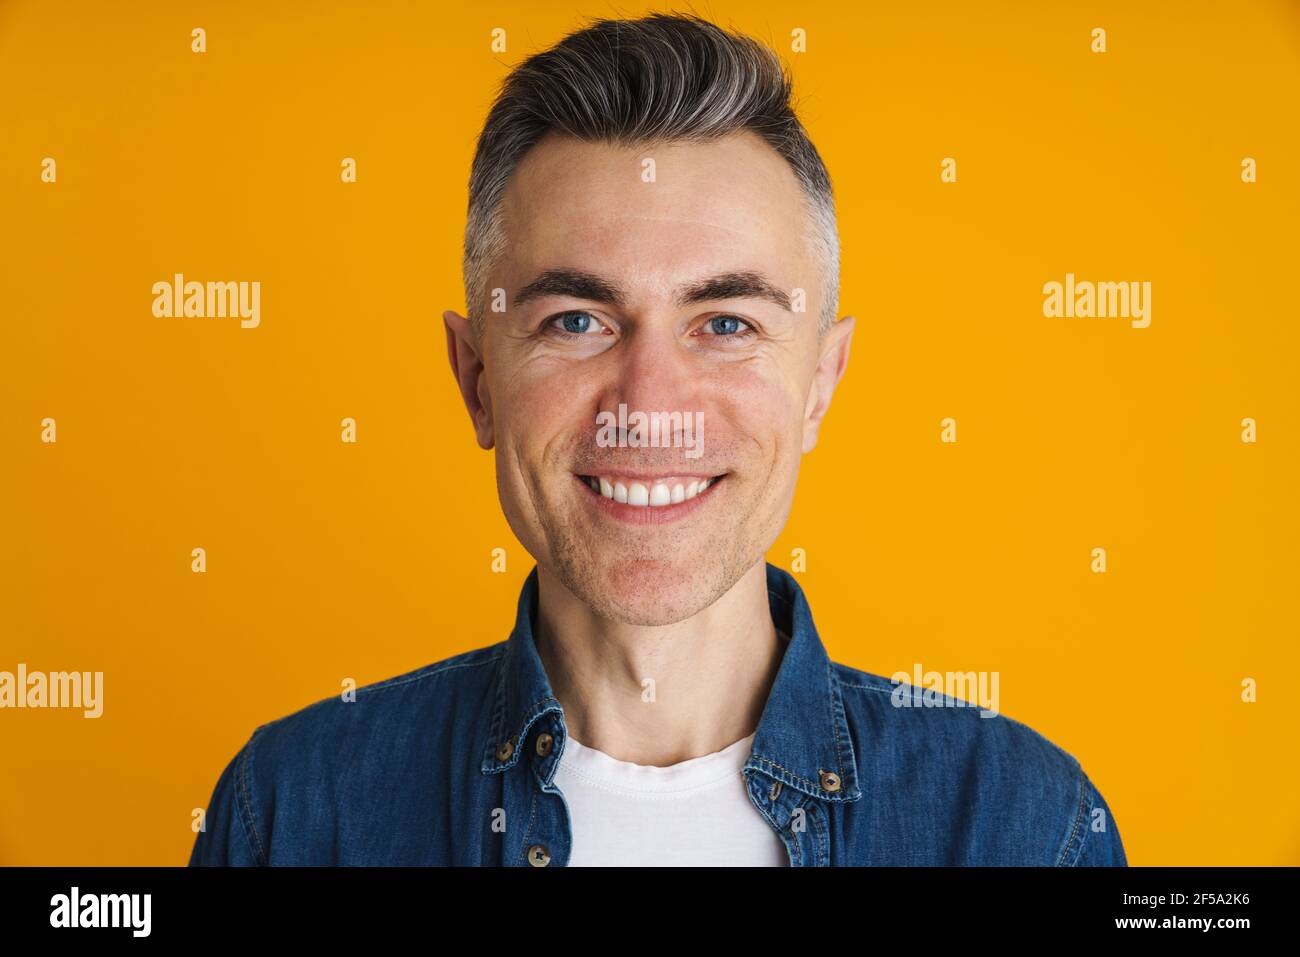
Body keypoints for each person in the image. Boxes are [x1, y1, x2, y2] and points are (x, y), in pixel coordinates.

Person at [190, 12, 1126, 866]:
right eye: (576, 321)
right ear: (476, 377)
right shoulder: (290, 814)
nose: (649, 406)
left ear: (820, 383)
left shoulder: (1027, 828)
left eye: (725, 323)